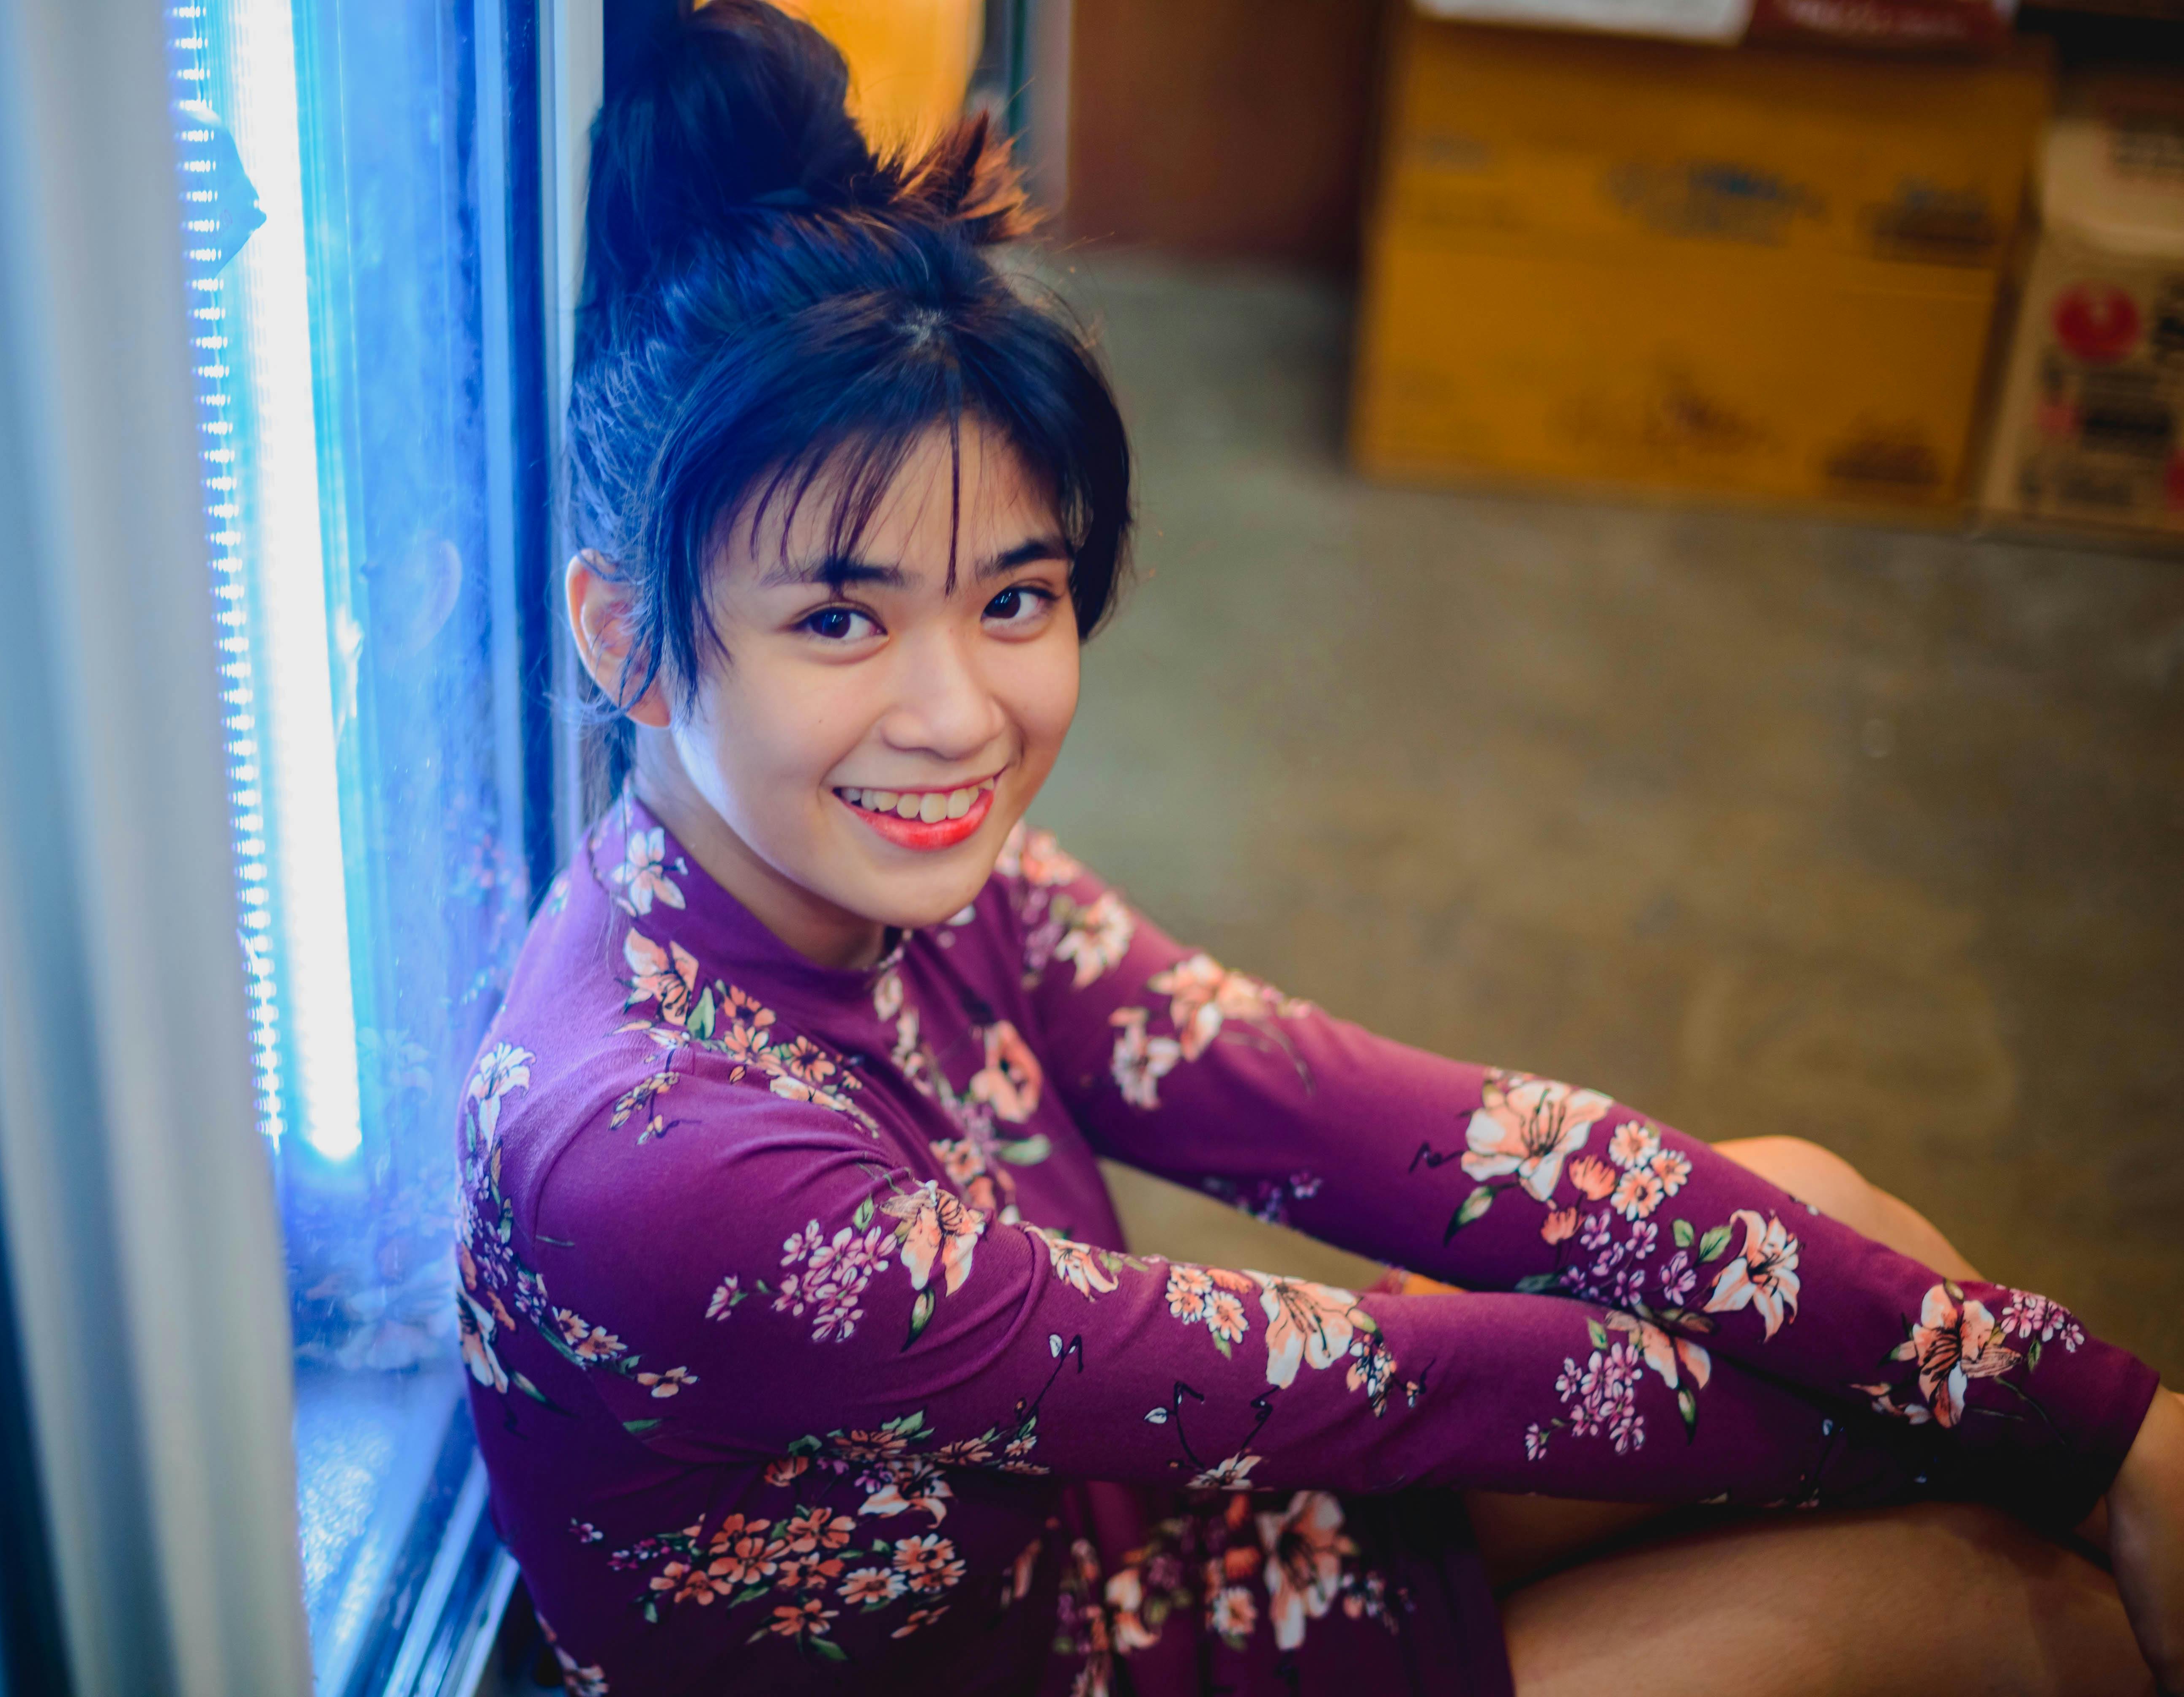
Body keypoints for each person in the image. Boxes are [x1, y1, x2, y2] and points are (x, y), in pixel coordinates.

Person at [456, 5, 2182, 1692]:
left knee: (1805, 1210)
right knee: (1987, 1594)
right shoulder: (661, 1158)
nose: (958, 714)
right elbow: (1345, 1377)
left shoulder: (887, 872)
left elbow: (1431, 1141)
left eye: (1015, 597)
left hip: (1123, 1516)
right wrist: (2022, 1432)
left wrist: (2049, 1415)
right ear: (625, 639)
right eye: (841, 617)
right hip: (1067, 1636)